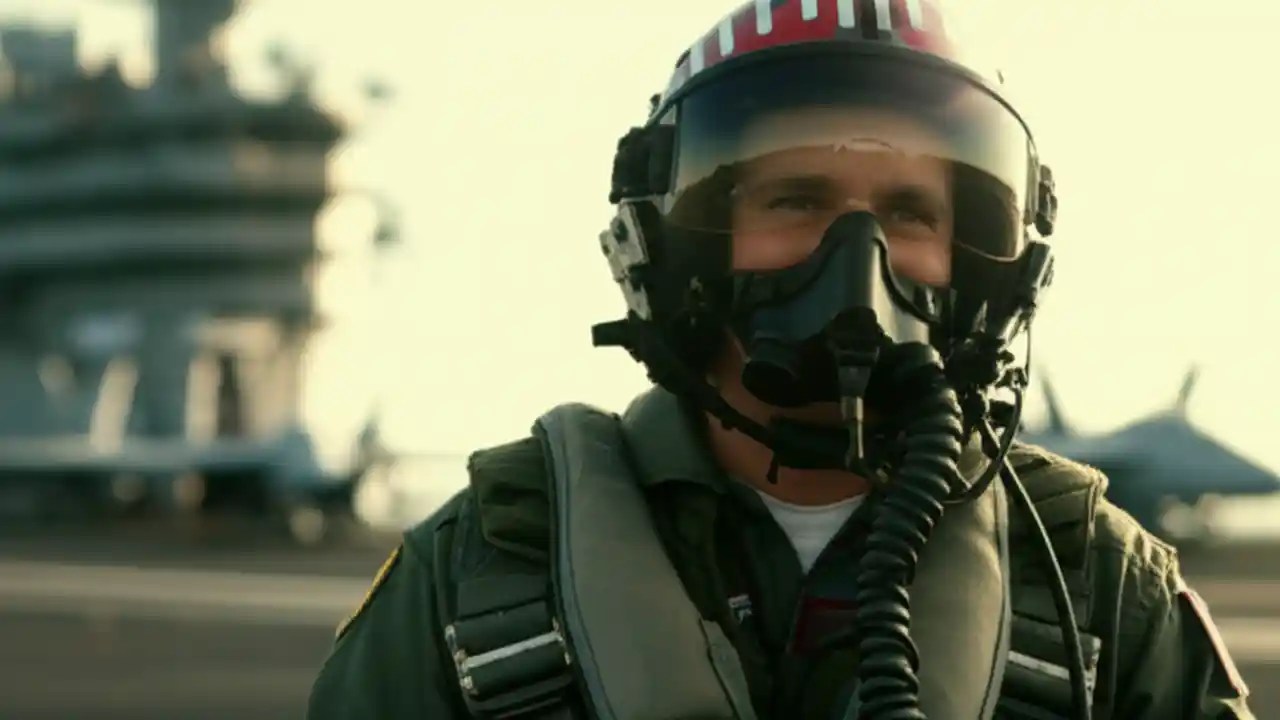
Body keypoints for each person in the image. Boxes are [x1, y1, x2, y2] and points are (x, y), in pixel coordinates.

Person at [306, 1, 1254, 718]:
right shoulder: (483, 567)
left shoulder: (1102, 588)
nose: (858, 258)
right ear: (674, 252)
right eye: (796, 199)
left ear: (986, 268)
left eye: (911, 213)